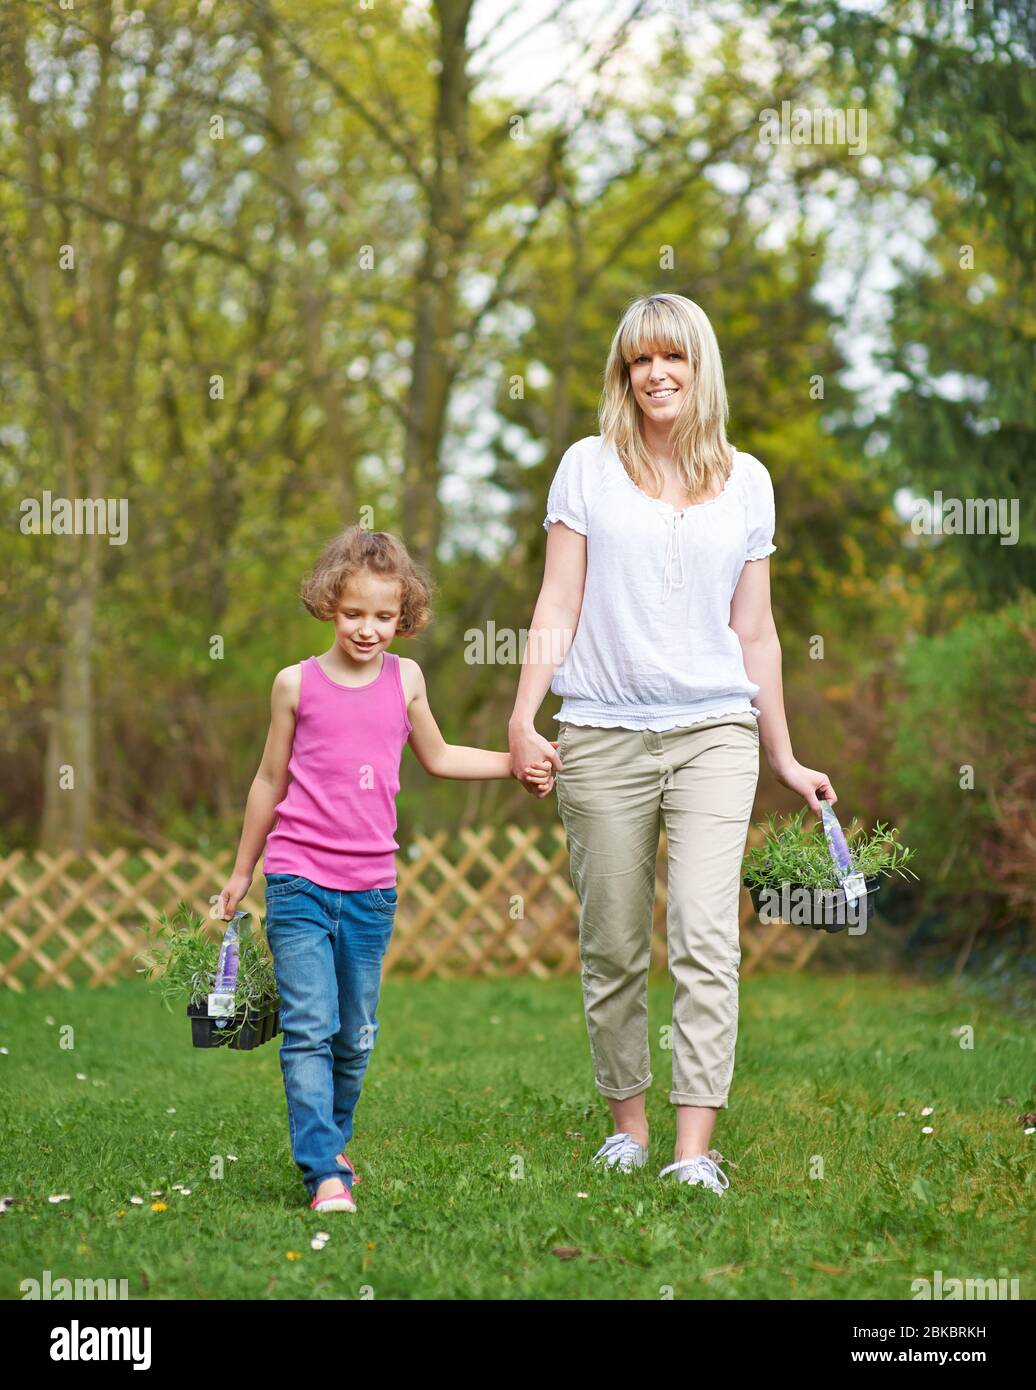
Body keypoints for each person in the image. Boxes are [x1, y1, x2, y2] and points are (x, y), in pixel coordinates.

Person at [508, 293, 836, 1196]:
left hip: (714, 734)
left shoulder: (749, 480)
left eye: (674, 358)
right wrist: (523, 711)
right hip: (602, 732)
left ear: (701, 369)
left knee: (703, 934)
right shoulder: (587, 469)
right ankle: (628, 1126)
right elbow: (557, 603)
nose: (656, 374)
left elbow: (757, 631)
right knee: (613, 939)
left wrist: (784, 753)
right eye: (639, 361)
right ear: (623, 374)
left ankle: (694, 1150)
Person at [218, 526, 553, 1213]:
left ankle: (332, 1142)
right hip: (298, 881)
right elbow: (268, 779)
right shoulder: (295, 685)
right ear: (326, 607)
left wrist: (513, 763)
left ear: (405, 617)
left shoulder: (407, 679)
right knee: (310, 1026)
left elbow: (438, 755)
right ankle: (322, 1173)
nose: (367, 630)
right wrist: (240, 871)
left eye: (383, 617)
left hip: (371, 891)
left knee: (354, 1036)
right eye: (353, 614)